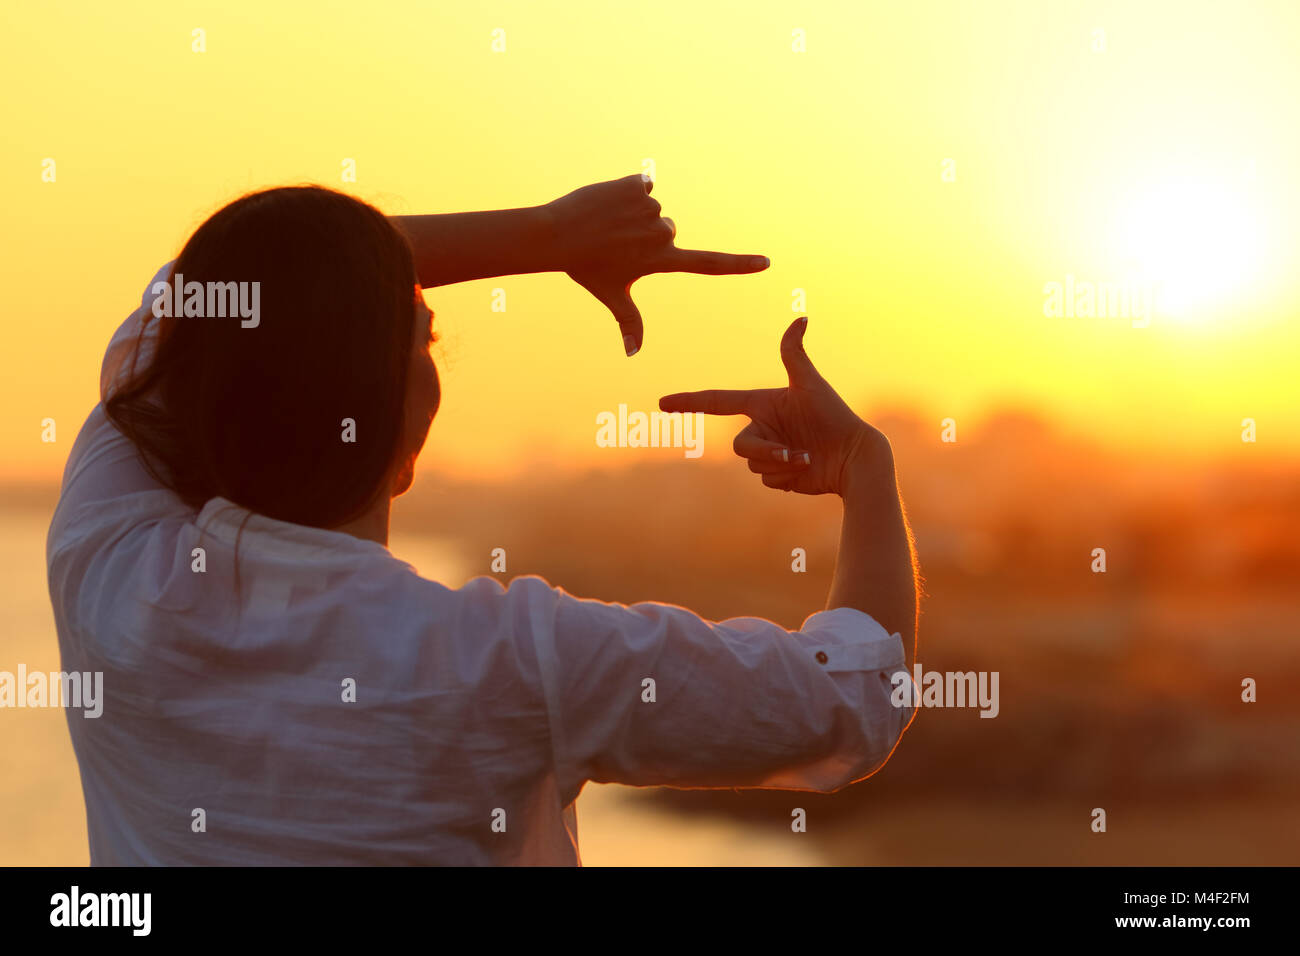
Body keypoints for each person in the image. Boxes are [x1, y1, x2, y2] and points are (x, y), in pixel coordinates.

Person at [46, 175, 919, 865]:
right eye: (422, 334)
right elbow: (857, 691)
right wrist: (864, 467)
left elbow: (189, 308)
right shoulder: (514, 661)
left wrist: (547, 234)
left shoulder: (113, 577)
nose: (436, 353)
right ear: (406, 414)